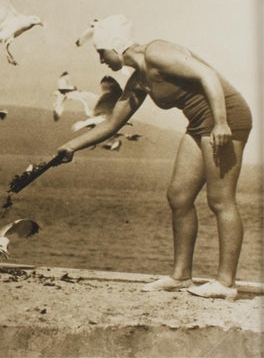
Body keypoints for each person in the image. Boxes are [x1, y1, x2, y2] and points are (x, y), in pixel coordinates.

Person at [56, 15, 252, 300]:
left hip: (227, 117)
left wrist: (221, 122)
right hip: (200, 124)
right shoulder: (138, 80)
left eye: (100, 52)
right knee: (179, 197)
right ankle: (181, 276)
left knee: (220, 199)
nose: (100, 60)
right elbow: (112, 124)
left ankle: (225, 283)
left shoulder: (157, 51)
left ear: (115, 45)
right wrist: (71, 146)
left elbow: (208, 75)